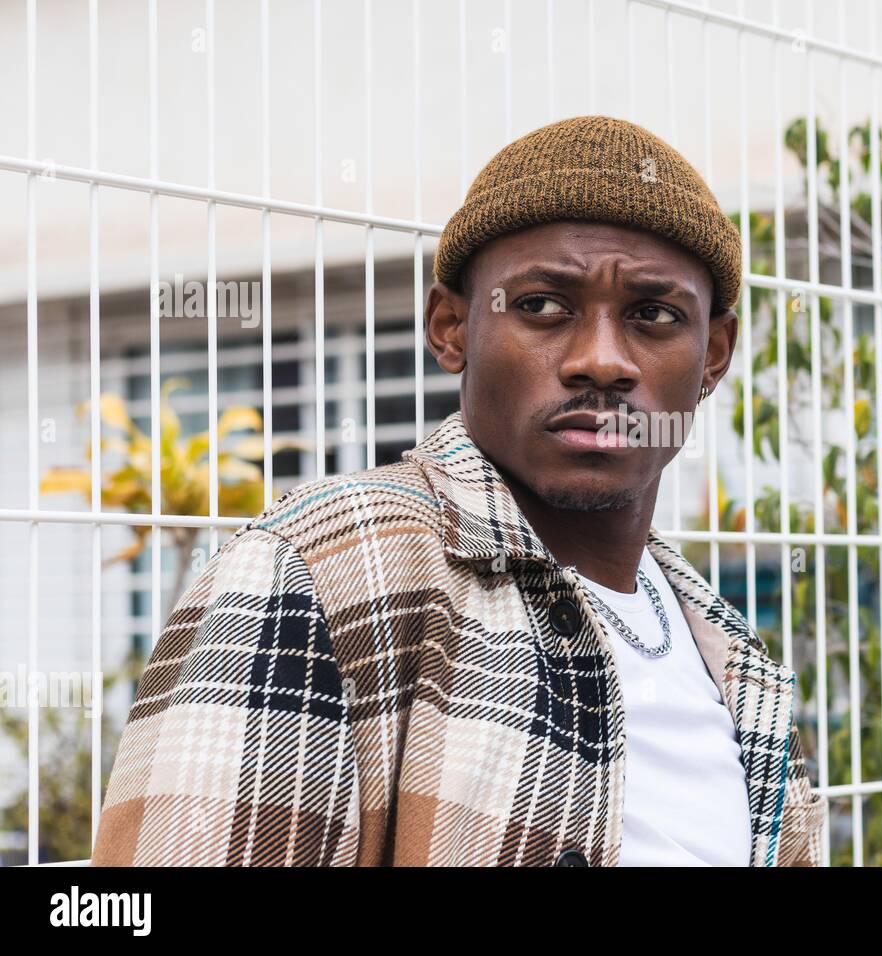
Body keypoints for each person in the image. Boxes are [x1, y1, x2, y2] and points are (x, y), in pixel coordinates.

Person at [90, 114, 827, 867]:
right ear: (451, 328)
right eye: (543, 305)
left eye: (654, 315)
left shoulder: (729, 650)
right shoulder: (326, 569)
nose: (602, 361)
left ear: (714, 356)